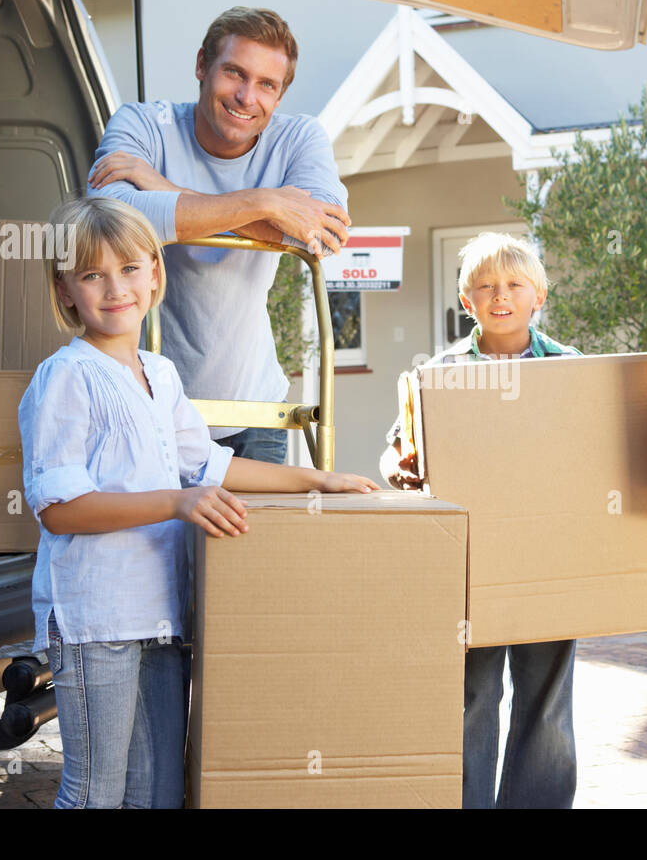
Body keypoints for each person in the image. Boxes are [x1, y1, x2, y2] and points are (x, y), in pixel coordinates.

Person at [19, 197, 378, 808]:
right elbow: (61, 509)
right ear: (65, 290)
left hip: (161, 615)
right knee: (95, 793)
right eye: (92, 275)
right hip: (96, 619)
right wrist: (177, 503)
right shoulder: (65, 377)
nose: (115, 288)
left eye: (130, 268)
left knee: (157, 793)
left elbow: (212, 465)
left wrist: (316, 481)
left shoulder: (160, 374)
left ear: (156, 273)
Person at [86, 7, 351, 464]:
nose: (247, 96)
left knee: (254, 539)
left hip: (256, 411)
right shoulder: (145, 125)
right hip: (149, 403)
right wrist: (267, 205)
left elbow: (321, 234)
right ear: (201, 66)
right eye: (234, 73)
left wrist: (166, 190)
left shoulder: (300, 138)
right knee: (159, 538)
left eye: (267, 84)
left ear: (280, 93)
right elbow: (112, 219)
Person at [379, 232, 582, 809]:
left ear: (538, 295)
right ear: (466, 301)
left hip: (549, 557)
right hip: (469, 559)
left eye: (515, 285)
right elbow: (399, 448)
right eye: (485, 287)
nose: (501, 295)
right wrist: (402, 467)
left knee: (546, 695)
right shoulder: (439, 373)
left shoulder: (569, 369)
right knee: (472, 691)